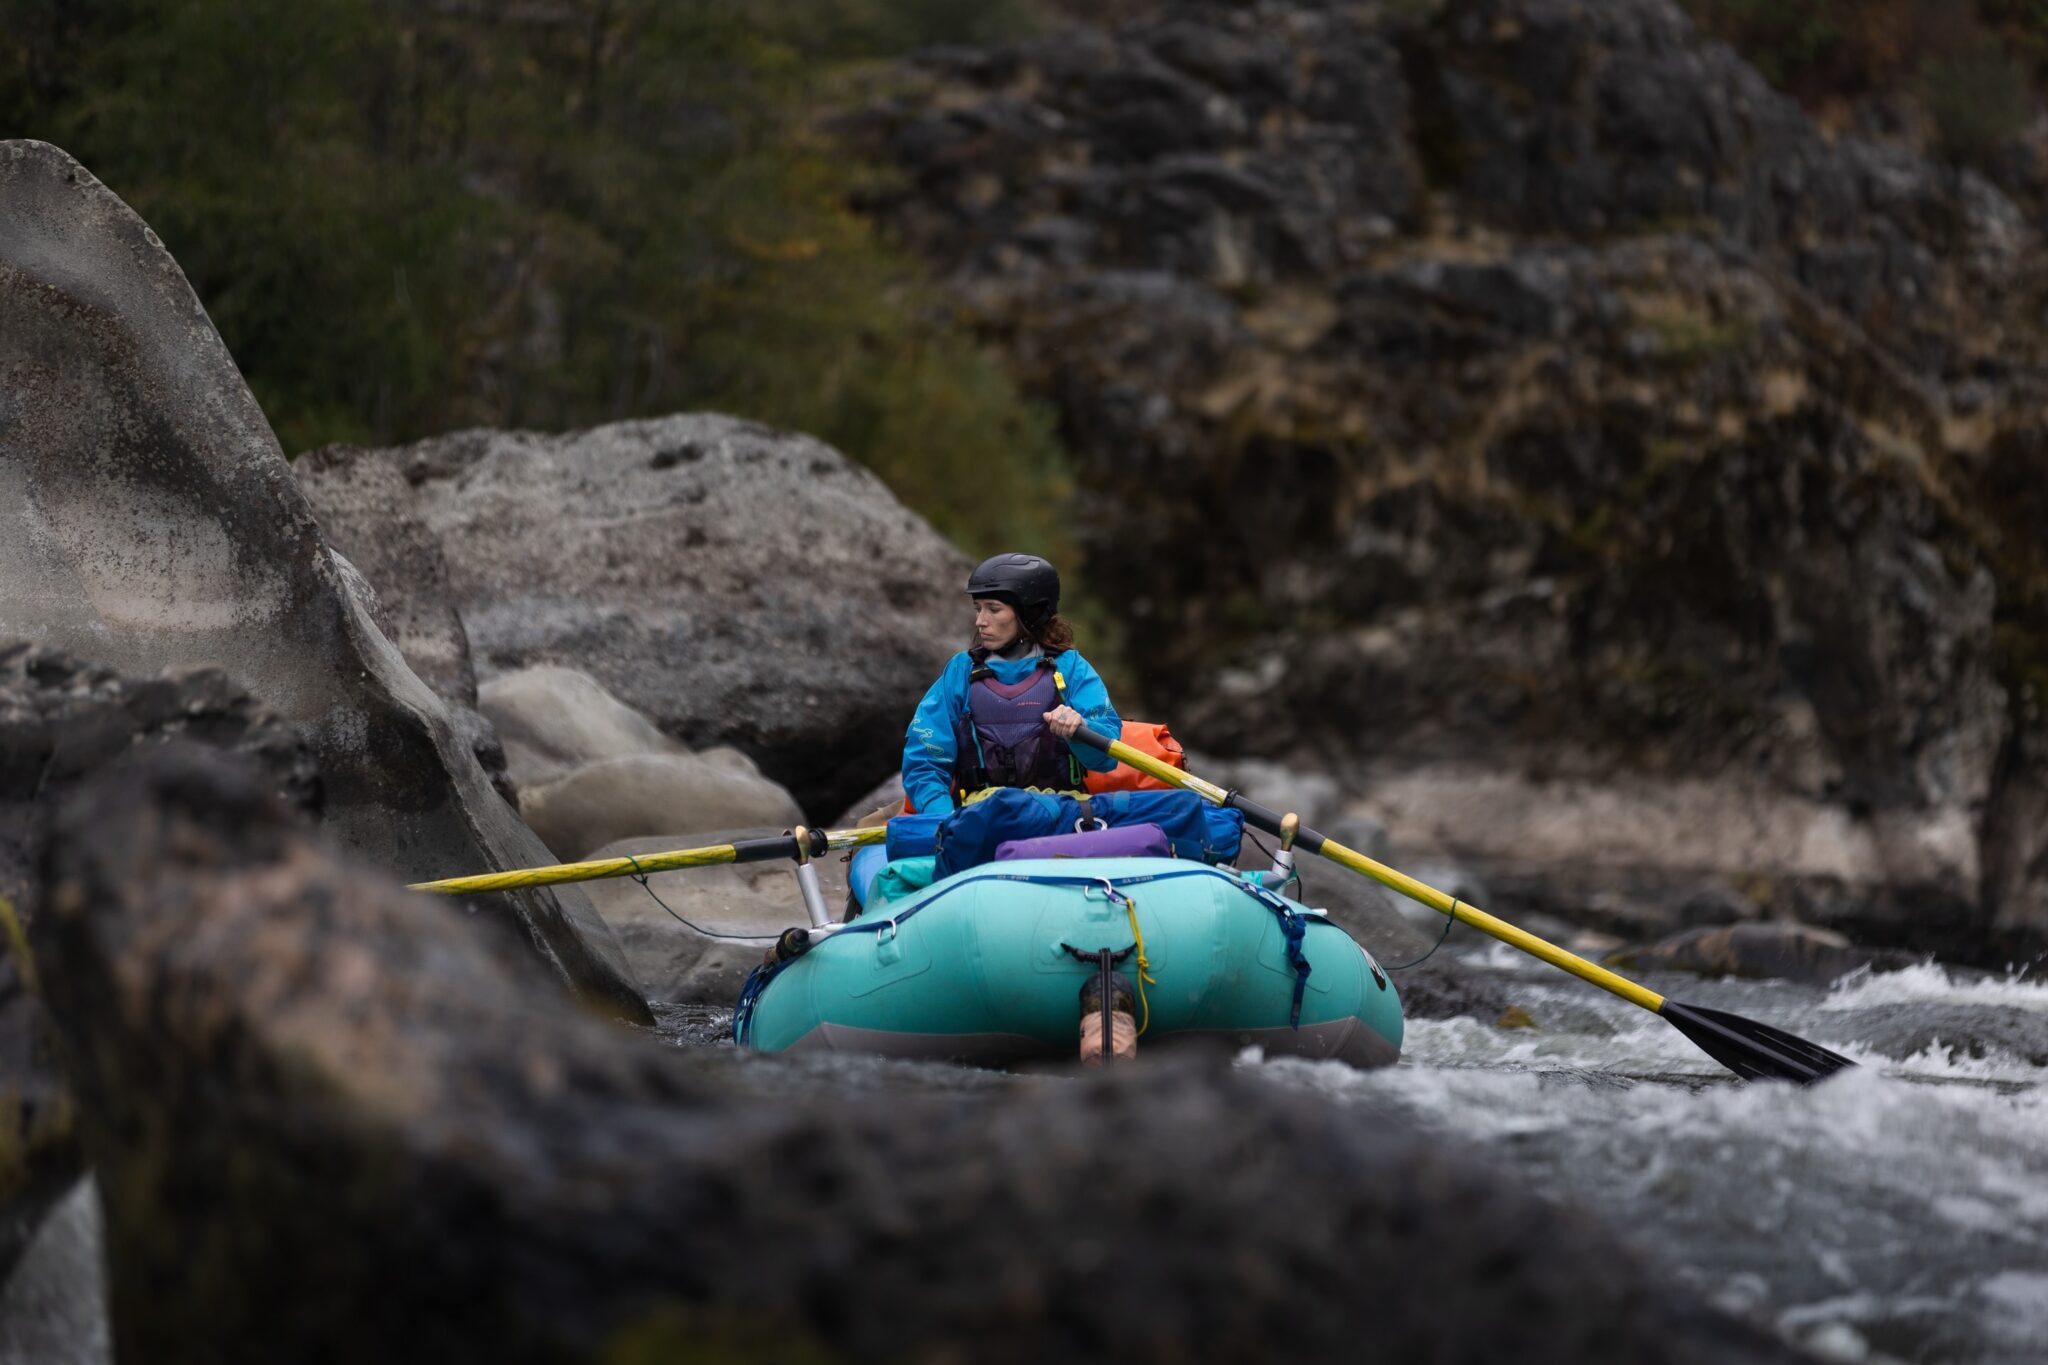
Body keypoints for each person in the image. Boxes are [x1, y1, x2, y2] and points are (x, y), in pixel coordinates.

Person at [901, 553, 1122, 815]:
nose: (980, 621)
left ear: (1031, 612)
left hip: (1062, 815)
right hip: (980, 818)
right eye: (978, 608)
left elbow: (1107, 758)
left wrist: (1080, 728)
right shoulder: (960, 672)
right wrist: (943, 820)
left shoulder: (1070, 668)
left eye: (993, 609)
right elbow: (925, 762)